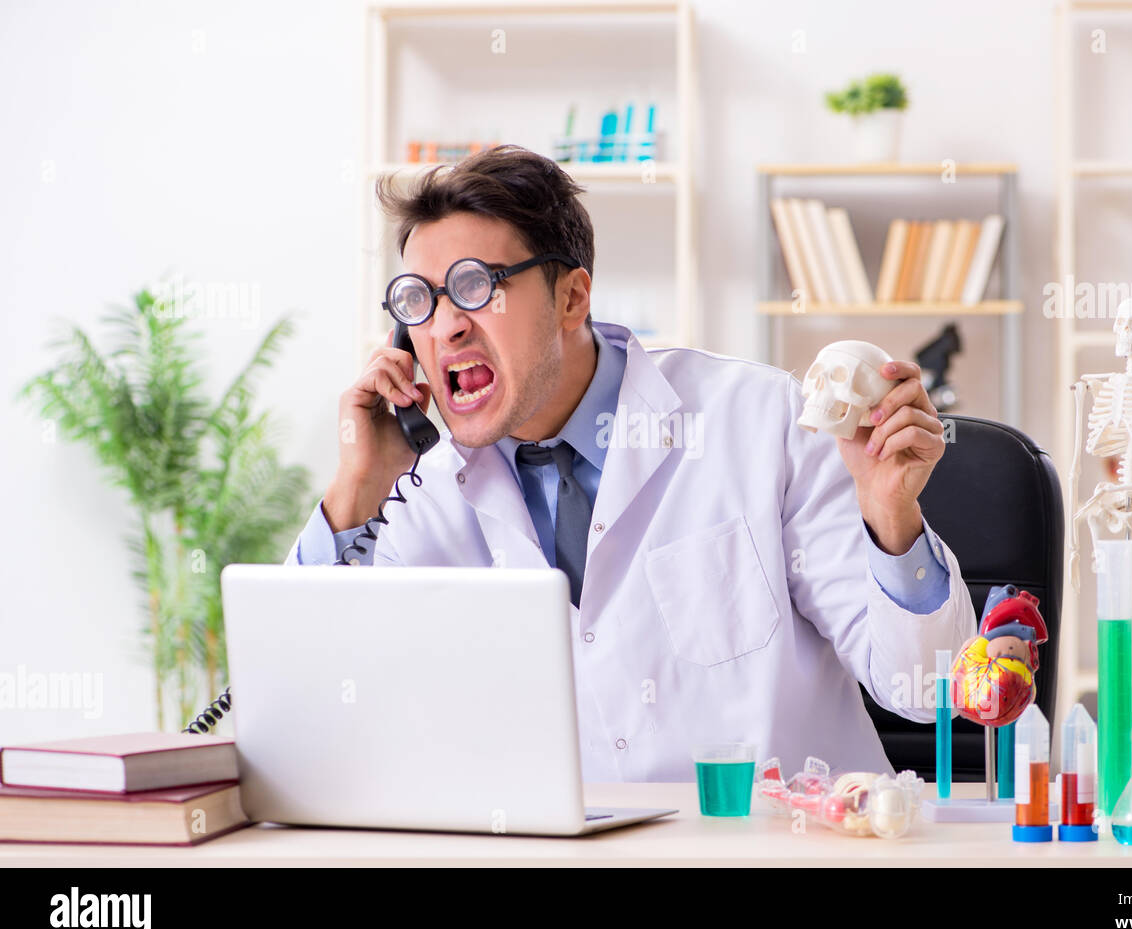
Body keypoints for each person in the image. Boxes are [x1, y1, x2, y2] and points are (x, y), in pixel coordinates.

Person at [286, 145, 977, 781]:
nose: (446, 326)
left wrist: (892, 516)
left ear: (572, 298)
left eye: (474, 286)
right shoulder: (418, 492)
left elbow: (927, 691)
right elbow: (308, 720)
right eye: (418, 301)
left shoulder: (757, 419)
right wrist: (356, 491)